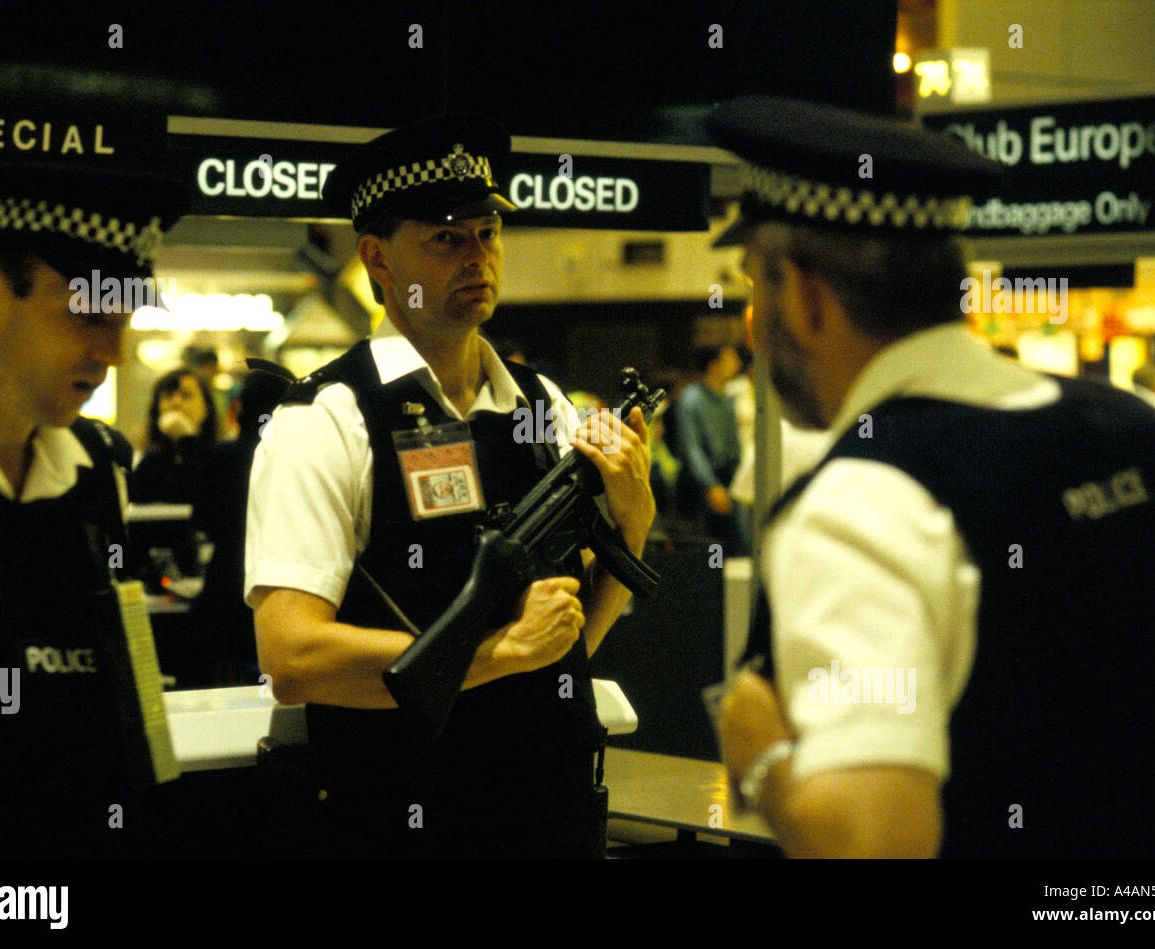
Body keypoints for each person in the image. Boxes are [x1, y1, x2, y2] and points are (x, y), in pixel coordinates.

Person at [709, 95, 1155, 858]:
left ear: (807, 296)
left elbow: (875, 842)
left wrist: (764, 756)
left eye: (756, 285)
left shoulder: (864, 504)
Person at [244, 113, 654, 857]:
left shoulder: (543, 405)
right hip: (404, 817)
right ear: (377, 259)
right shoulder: (327, 418)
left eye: (488, 233)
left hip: (549, 810)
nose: (478, 256)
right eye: (446, 238)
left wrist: (632, 520)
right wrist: (498, 653)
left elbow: (568, 640)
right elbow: (291, 656)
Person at [0, 160, 186, 857]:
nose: (114, 354)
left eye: (123, 319)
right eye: (91, 314)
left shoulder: (95, 470)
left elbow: (128, 708)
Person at [191, 368, 291, 684]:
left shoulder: (220, 457)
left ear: (240, 407)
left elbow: (202, 521)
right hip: (281, 589)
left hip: (224, 588)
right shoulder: (294, 457)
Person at [675, 344, 748, 555]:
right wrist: (710, 485)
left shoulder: (727, 399)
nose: (737, 364)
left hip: (727, 478)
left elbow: (732, 442)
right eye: (730, 359)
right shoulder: (692, 398)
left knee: (737, 546)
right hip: (700, 485)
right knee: (706, 548)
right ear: (714, 365)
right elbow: (692, 448)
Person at [129, 367, 218, 504]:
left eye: (186, 395)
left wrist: (187, 441)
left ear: (206, 409)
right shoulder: (149, 463)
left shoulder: (220, 458)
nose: (176, 403)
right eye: (168, 396)